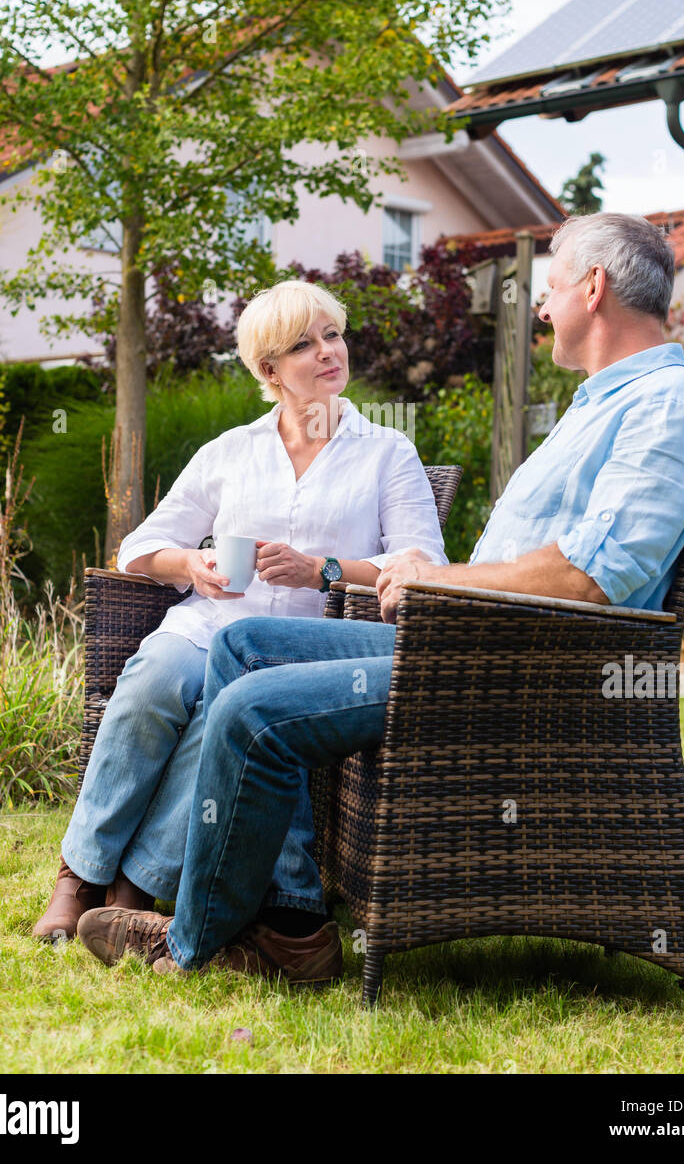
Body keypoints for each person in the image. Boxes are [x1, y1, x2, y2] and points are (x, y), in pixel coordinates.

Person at [77, 212, 684, 985]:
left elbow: (589, 578)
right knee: (240, 643)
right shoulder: (600, 406)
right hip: (463, 638)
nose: (540, 306)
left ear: (593, 288)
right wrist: (433, 583)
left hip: (520, 666)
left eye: (552, 286)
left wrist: (433, 578)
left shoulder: (669, 403)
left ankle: (200, 940)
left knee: (250, 708)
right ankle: (292, 918)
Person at [33, 279, 446, 942]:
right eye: (303, 345)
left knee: (221, 709)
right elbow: (140, 547)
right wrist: (191, 565)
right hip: (204, 624)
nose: (327, 352)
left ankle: (136, 883)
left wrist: (324, 570)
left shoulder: (386, 452)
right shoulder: (230, 452)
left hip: (298, 646)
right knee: (150, 684)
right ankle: (78, 876)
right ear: (269, 370)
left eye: (332, 335)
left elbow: (422, 564)